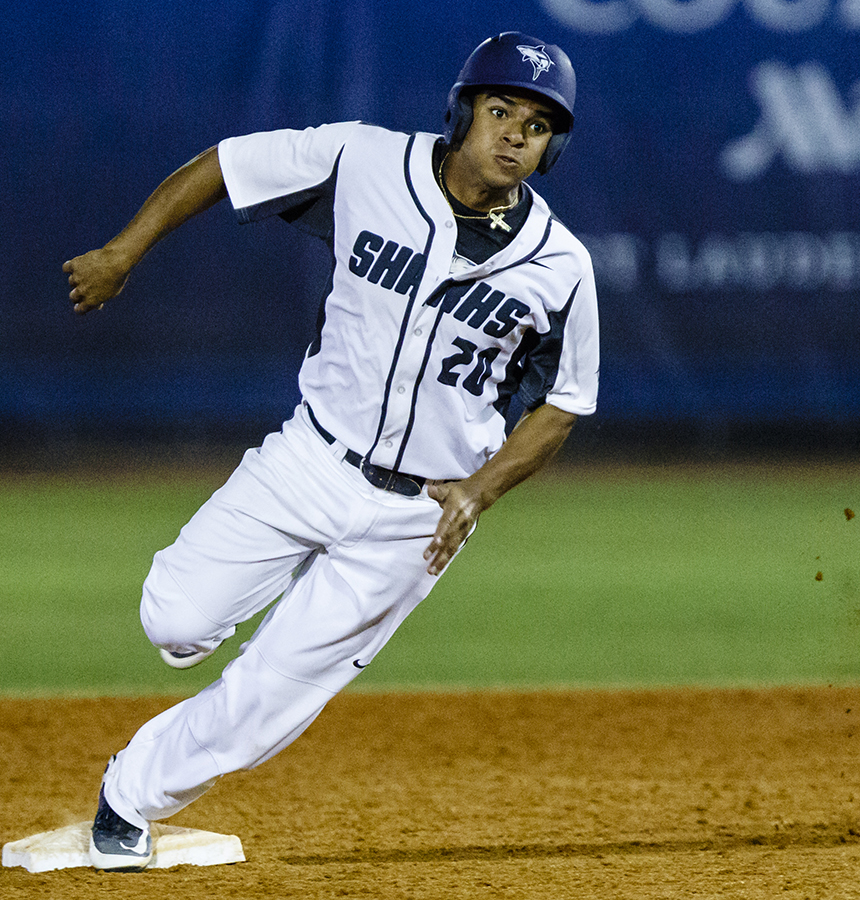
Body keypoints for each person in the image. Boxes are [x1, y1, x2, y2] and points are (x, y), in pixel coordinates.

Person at [61, 31, 599, 871]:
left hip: (419, 518)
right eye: (500, 110)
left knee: (268, 700)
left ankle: (130, 798)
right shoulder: (365, 161)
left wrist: (481, 490)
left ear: (551, 148)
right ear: (463, 110)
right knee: (174, 618)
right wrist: (125, 250)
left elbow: (565, 404)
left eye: (536, 126)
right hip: (310, 458)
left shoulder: (561, 266)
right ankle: (224, 616)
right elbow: (228, 164)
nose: (513, 135)